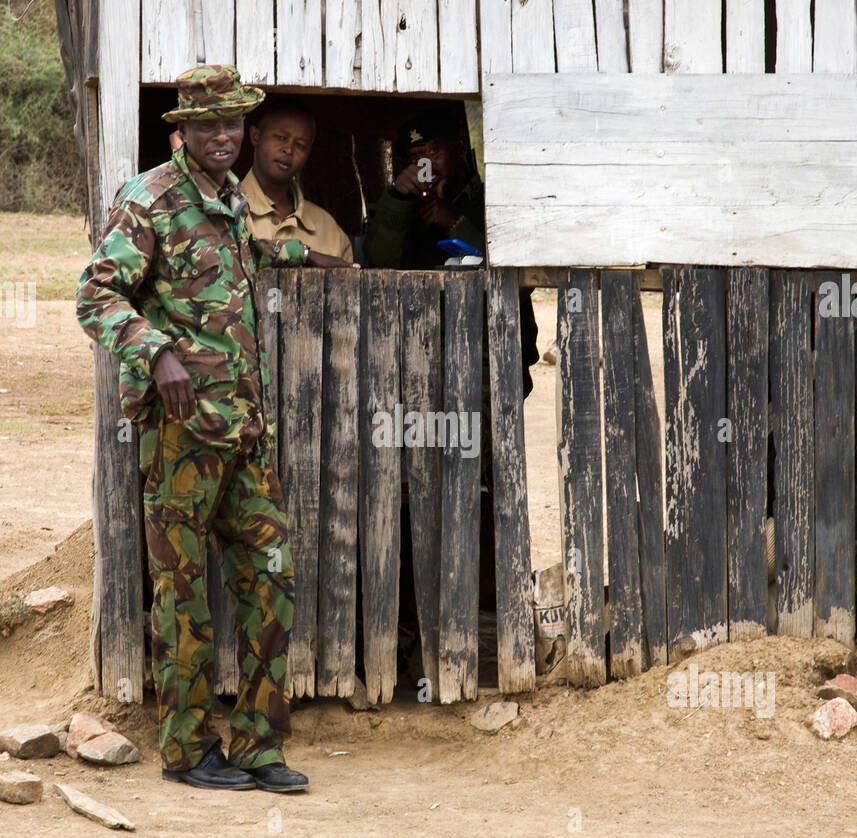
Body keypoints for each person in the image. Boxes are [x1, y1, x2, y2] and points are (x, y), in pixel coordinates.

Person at [76, 65, 353, 794]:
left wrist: (314, 256)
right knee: (185, 595)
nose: (224, 135)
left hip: (244, 433)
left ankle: (259, 746)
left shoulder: (230, 199)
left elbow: (245, 255)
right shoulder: (152, 199)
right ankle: (187, 749)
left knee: (271, 580)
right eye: (209, 125)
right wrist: (156, 352)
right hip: (181, 435)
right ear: (183, 131)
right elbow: (96, 294)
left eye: (233, 124)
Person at [365, 107, 539, 396]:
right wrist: (398, 199)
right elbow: (380, 263)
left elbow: (518, 282)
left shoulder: (493, 201)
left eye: (434, 152)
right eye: (415, 158)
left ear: (459, 149)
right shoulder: (405, 208)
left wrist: (454, 223)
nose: (425, 166)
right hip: (419, 361)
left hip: (490, 363)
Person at [241, 102, 354, 262]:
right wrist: (307, 256)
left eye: (301, 145)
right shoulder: (226, 209)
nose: (289, 149)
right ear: (255, 136)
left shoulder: (327, 228)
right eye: (281, 138)